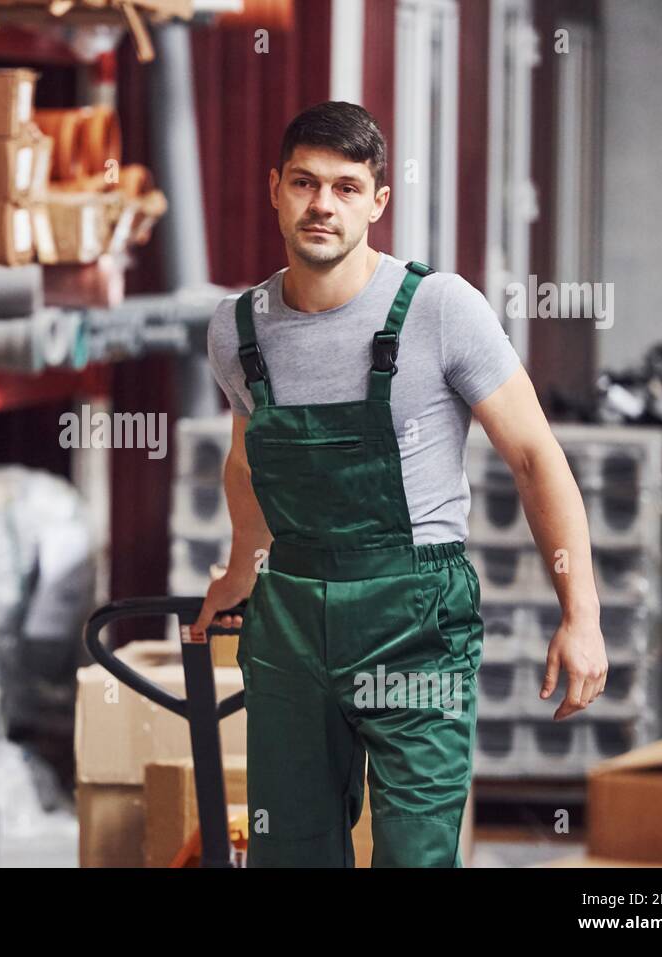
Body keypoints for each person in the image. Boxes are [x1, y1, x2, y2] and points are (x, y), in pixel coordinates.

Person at [191, 101, 607, 867]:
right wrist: (237, 570)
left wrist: (580, 612)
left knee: (416, 854)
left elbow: (535, 457)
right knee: (291, 854)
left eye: (347, 187)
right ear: (274, 188)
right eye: (306, 183)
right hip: (289, 621)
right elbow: (249, 461)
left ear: (378, 202)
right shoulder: (236, 329)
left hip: (415, 624)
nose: (324, 205)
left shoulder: (440, 310)